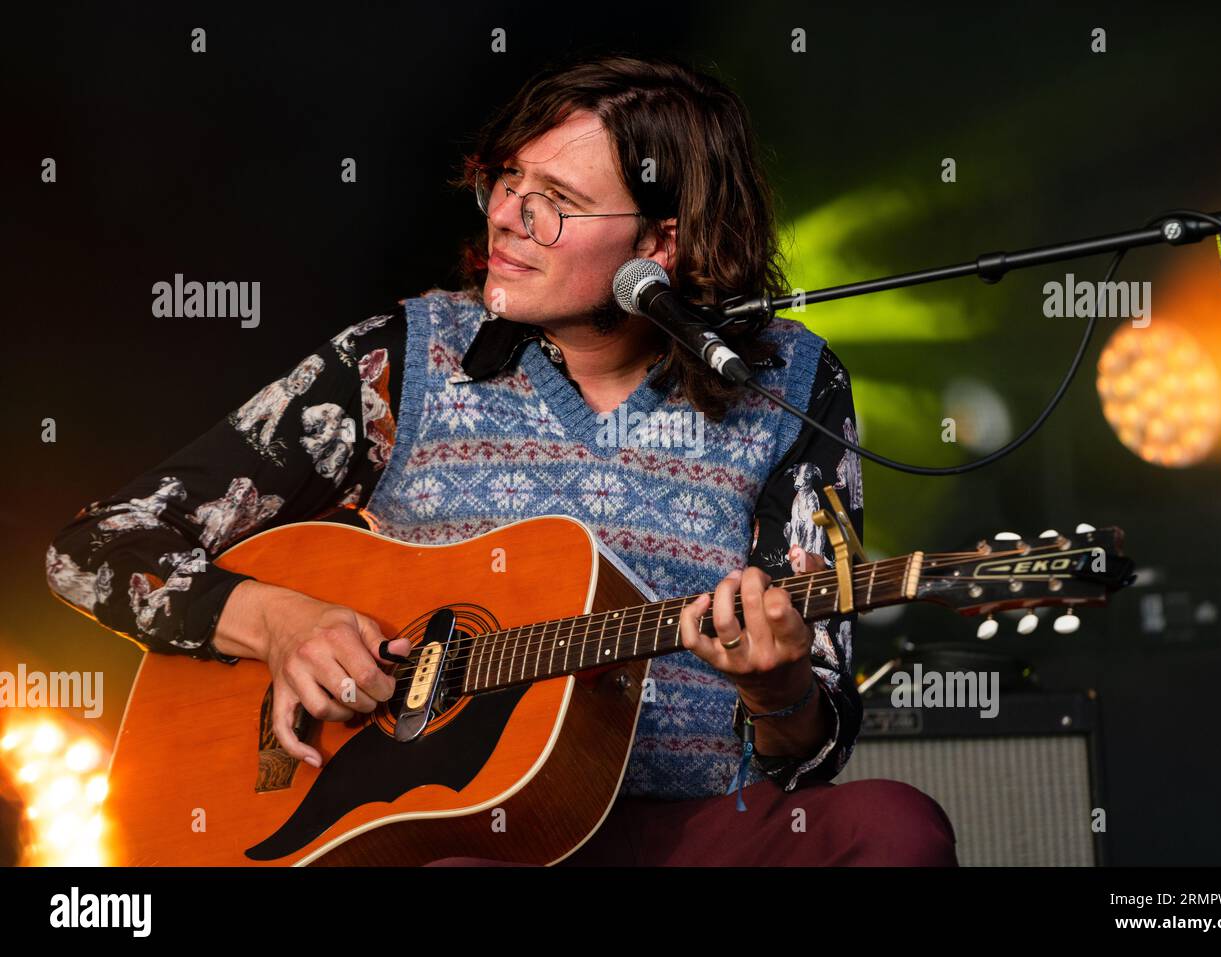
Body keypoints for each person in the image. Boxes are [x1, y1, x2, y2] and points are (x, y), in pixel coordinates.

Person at [46, 51, 957, 866]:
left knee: (894, 829)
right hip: (449, 837)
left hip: (682, 830)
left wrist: (779, 687)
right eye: (509, 181)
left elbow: (816, 738)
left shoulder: (787, 380)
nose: (509, 218)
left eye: (557, 204)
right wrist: (279, 622)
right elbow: (97, 546)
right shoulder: (403, 359)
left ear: (660, 245)